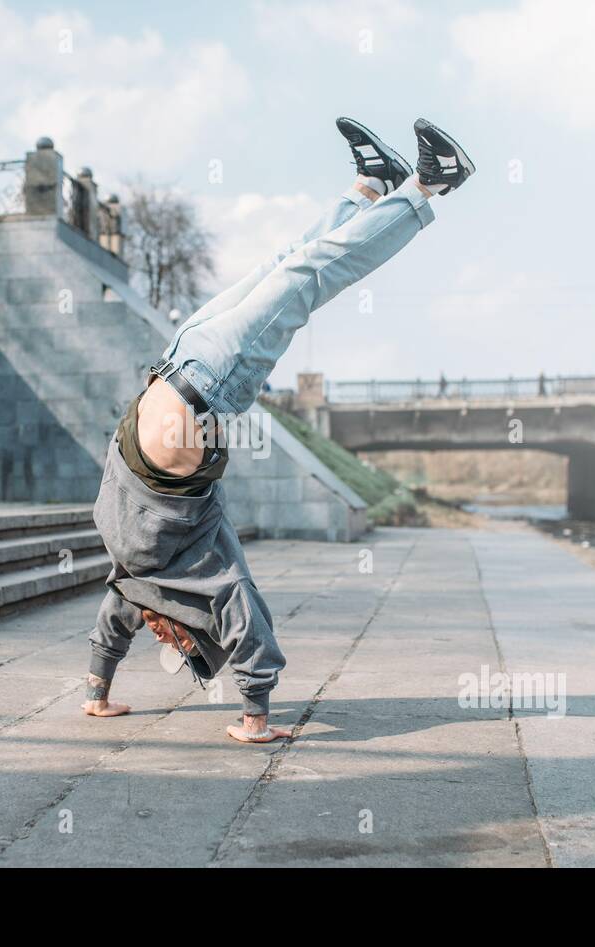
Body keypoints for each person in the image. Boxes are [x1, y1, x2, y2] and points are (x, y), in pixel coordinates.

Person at [83, 117, 475, 743]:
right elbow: (249, 624)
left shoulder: (137, 585)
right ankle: (429, 186)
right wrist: (255, 716)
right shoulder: (208, 574)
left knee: (284, 263)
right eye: (174, 641)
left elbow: (110, 628)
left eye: (155, 634)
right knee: (310, 275)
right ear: (192, 630)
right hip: (211, 382)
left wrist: (97, 692)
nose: (156, 633)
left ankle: (370, 187)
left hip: (178, 358)